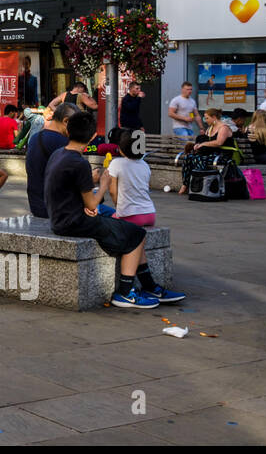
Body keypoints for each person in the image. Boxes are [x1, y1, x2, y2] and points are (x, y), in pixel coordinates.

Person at [46, 111, 185, 308]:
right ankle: (125, 292)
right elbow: (92, 203)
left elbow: (66, 191)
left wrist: (90, 194)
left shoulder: (58, 154)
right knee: (136, 234)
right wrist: (102, 182)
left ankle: (149, 286)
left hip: (60, 216)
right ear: (93, 136)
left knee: (128, 230)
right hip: (73, 222)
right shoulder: (79, 163)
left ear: (67, 130)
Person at [100, 127, 157, 227]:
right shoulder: (145, 165)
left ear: (121, 148)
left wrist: (120, 210)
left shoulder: (117, 163)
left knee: (101, 217)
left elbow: (113, 191)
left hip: (130, 216)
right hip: (150, 214)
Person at [26, 102, 75, 218]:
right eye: (76, 124)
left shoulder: (34, 138)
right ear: (66, 121)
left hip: (36, 205)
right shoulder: (63, 143)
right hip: (57, 209)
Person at [178, 108, 236, 196]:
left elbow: (219, 142)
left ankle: (202, 184)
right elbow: (205, 142)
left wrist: (203, 144)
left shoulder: (224, 127)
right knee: (188, 157)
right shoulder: (210, 128)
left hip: (222, 155)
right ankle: (186, 184)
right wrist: (198, 145)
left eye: (207, 118)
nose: (205, 121)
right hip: (211, 154)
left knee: (198, 159)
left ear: (214, 117)